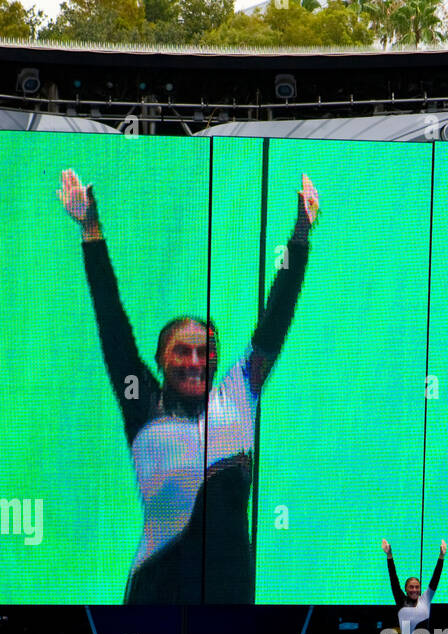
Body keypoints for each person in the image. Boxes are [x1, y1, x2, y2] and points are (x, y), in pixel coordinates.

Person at [57, 167, 320, 603]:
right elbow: (111, 320)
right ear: (159, 360)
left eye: (206, 351)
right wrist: (90, 228)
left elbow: (277, 317)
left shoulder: (240, 391)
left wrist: (300, 235)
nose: (195, 361)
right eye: (182, 351)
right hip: (156, 593)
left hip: (232, 594)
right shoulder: (141, 400)